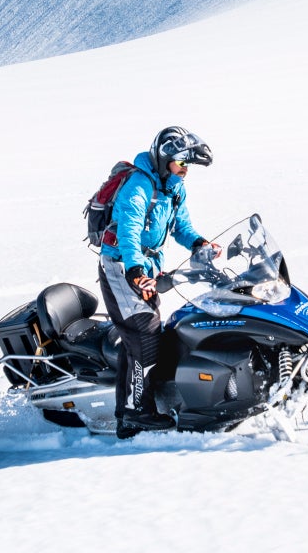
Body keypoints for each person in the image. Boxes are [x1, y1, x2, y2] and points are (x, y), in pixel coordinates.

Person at [97, 125, 218, 438]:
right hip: (121, 264)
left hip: (147, 266)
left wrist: (199, 244)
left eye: (188, 166)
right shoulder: (138, 187)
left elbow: (181, 226)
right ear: (165, 159)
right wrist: (135, 271)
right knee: (144, 330)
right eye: (182, 163)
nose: (185, 170)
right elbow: (129, 232)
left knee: (148, 330)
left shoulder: (173, 186)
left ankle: (150, 395)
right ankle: (133, 414)